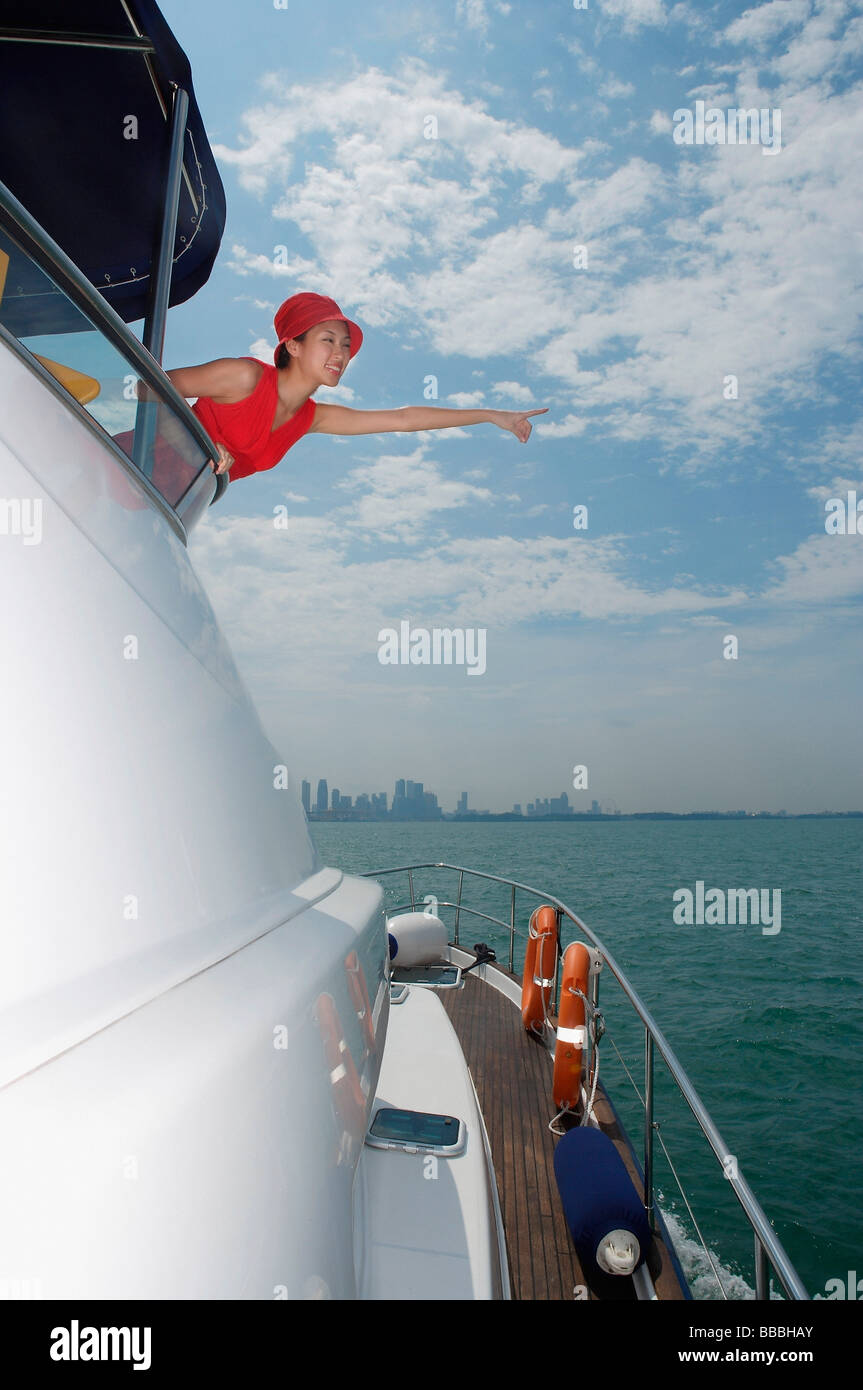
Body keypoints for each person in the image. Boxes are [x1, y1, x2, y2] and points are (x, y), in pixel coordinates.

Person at [164, 292, 547, 481]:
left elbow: (404, 419)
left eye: (346, 345)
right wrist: (192, 441)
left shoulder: (310, 418)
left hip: (174, 506)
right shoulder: (245, 377)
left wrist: (493, 416)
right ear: (293, 346)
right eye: (328, 339)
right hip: (131, 468)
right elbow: (149, 387)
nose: (341, 353)